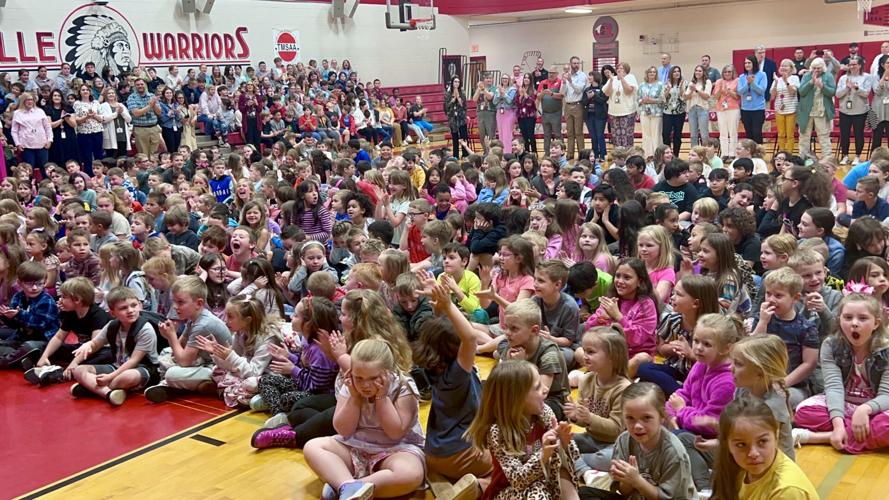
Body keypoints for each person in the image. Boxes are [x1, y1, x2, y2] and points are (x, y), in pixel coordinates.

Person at [303, 338, 425, 499]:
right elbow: (343, 430)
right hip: (355, 446)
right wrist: (354, 398)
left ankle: (345, 486)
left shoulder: (403, 386)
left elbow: (395, 433)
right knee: (312, 447)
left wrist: (382, 398)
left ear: (387, 373)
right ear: (351, 372)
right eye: (359, 378)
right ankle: (347, 487)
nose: (365, 385)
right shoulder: (350, 385)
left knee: (410, 474)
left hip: (395, 449)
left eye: (373, 378)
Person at [413, 283, 492, 499]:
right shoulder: (457, 374)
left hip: (434, 454)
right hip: (462, 455)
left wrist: (440, 308)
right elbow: (470, 338)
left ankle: (444, 483)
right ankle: (479, 486)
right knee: (511, 466)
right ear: (456, 348)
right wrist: (448, 306)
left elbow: (439, 332)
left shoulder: (433, 368)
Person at [465, 360, 581, 499]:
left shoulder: (544, 412)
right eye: (537, 387)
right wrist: (543, 455)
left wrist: (564, 443)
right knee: (536, 490)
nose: (546, 389)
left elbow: (573, 458)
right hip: (510, 490)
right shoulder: (498, 432)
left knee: (562, 470)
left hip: (544, 479)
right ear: (516, 399)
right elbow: (518, 481)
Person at [793, 293, 889, 454]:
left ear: (876, 323)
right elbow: (834, 388)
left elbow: (886, 395)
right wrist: (838, 425)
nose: (854, 323)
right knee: (803, 411)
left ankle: (819, 437)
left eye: (863, 318)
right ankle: (852, 434)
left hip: (876, 408)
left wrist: (864, 409)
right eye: (848, 317)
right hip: (844, 404)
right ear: (839, 320)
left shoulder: (886, 349)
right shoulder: (831, 345)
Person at [143, 276, 234, 402]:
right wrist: (169, 337)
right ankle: (183, 386)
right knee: (165, 352)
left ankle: (173, 385)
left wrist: (171, 336)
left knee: (171, 374)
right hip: (201, 361)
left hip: (218, 369)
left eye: (180, 302)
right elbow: (180, 346)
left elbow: (184, 361)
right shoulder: (194, 319)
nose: (175, 306)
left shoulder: (203, 324)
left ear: (199, 303)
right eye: (174, 301)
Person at [711, 396, 818, 500]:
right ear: (727, 444)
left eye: (762, 441)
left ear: (776, 436)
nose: (753, 453)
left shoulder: (786, 491)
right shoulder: (736, 468)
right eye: (741, 445)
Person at [68, 287, 159, 406]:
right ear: (112, 313)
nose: (130, 310)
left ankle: (90, 389)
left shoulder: (145, 329)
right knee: (79, 370)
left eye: (134, 305)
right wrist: (82, 352)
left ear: (140, 305)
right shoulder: (112, 325)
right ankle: (109, 393)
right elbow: (95, 344)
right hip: (117, 366)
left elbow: (134, 361)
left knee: (126, 377)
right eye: (123, 308)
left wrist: (109, 377)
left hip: (142, 368)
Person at [610, 382, 697, 499]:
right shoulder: (623, 441)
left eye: (646, 418)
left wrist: (637, 481)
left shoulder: (673, 452)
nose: (637, 426)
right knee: (587, 494)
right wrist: (627, 480)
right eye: (630, 418)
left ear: (662, 417)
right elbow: (623, 492)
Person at [566, 326, 632, 478]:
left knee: (609, 459)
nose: (585, 356)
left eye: (591, 352)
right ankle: (583, 467)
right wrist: (575, 416)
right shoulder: (587, 379)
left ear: (612, 357)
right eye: (584, 351)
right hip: (591, 439)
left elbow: (616, 429)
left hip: (615, 444)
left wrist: (589, 418)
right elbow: (584, 422)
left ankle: (578, 464)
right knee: (561, 440)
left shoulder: (623, 388)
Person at [797, 58, 836, 159]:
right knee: (804, 136)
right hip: (806, 111)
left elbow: (832, 92)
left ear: (823, 68)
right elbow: (801, 92)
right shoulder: (806, 76)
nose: (816, 70)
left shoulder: (828, 76)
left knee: (823, 135)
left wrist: (822, 86)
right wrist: (811, 83)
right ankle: (803, 158)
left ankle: (827, 158)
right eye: (814, 68)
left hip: (821, 110)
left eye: (818, 68)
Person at [836, 56, 871, 165]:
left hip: (860, 111)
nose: (851, 66)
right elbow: (838, 94)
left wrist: (855, 88)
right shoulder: (843, 78)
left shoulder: (866, 77)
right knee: (844, 134)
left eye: (854, 64)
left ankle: (857, 156)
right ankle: (845, 155)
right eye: (850, 64)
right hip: (844, 111)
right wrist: (847, 88)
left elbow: (866, 94)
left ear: (860, 65)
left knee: (858, 134)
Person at [11, 92, 52, 178]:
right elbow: (14, 131)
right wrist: (17, 143)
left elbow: (47, 127)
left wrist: (50, 140)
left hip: (42, 144)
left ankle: (47, 184)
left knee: (45, 168)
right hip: (26, 146)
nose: (30, 102)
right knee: (28, 170)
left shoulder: (40, 111)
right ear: (23, 101)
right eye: (27, 100)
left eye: (31, 100)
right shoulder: (17, 113)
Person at [604, 62, 638, 149]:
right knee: (616, 137)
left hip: (627, 112)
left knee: (627, 136)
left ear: (626, 70)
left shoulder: (630, 77)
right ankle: (618, 155)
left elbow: (628, 91)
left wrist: (622, 78)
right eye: (618, 68)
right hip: (614, 112)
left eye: (621, 68)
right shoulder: (613, 78)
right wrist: (611, 81)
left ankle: (628, 154)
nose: (619, 70)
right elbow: (607, 93)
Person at [127, 79, 162, 160]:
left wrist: (154, 105)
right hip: (140, 129)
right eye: (138, 85)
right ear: (135, 86)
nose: (140, 86)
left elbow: (159, 112)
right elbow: (136, 113)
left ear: (145, 85)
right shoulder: (132, 97)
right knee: (143, 154)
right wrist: (149, 106)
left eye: (142, 84)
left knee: (155, 154)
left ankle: (154, 167)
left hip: (154, 128)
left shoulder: (152, 96)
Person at [770, 59, 800, 154]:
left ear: (791, 68)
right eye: (782, 65)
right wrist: (775, 82)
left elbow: (792, 92)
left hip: (791, 110)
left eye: (786, 66)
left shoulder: (795, 78)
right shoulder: (777, 79)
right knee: (781, 134)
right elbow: (772, 97)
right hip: (779, 110)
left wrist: (786, 81)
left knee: (790, 135)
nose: (783, 67)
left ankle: (789, 154)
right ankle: (782, 153)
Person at [738, 55, 767, 145]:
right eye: (745, 63)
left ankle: (759, 152)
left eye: (749, 63)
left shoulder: (762, 75)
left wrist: (752, 83)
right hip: (745, 109)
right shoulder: (742, 76)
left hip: (758, 109)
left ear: (754, 63)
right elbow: (740, 91)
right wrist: (747, 84)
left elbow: (761, 90)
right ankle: (750, 152)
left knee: (757, 133)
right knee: (749, 134)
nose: (747, 64)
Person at [637, 66, 665, 159]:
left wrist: (652, 100)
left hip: (656, 113)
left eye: (654, 72)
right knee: (646, 135)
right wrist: (642, 101)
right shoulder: (642, 85)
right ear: (647, 74)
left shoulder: (660, 85)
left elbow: (663, 99)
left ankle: (657, 155)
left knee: (656, 135)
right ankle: (647, 155)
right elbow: (637, 98)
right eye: (650, 72)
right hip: (644, 113)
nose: (652, 74)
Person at [563, 56, 587, 160]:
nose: (576, 65)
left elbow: (579, 90)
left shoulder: (582, 76)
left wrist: (571, 81)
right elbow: (562, 92)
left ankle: (582, 154)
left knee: (578, 132)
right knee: (569, 132)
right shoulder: (566, 75)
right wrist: (564, 82)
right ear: (570, 64)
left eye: (577, 63)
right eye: (574, 63)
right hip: (567, 105)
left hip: (578, 105)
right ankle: (570, 154)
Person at [714, 65, 740, 160]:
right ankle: (724, 153)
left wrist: (729, 91)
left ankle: (733, 153)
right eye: (725, 72)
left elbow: (738, 97)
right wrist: (721, 90)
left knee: (732, 131)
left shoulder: (737, 80)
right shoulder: (719, 82)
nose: (727, 73)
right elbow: (716, 97)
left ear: (733, 73)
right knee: (723, 132)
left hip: (733, 108)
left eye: (729, 72)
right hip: (721, 109)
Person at [582, 70, 608, 162]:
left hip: (600, 116)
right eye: (589, 76)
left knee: (600, 135)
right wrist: (588, 98)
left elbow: (603, 100)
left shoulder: (603, 88)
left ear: (595, 77)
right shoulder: (587, 89)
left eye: (591, 76)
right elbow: (583, 102)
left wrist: (594, 96)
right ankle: (595, 155)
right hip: (589, 116)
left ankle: (603, 155)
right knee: (593, 136)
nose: (589, 77)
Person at [99, 87, 132, 159]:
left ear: (115, 94)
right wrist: (116, 113)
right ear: (105, 95)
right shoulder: (103, 106)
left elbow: (129, 119)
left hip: (122, 135)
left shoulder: (121, 105)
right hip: (110, 135)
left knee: (123, 157)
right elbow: (104, 119)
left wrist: (122, 112)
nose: (111, 94)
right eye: (109, 93)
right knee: (111, 158)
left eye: (112, 93)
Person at [685, 65, 712, 149]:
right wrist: (691, 91)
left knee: (704, 134)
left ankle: (705, 152)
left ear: (703, 72)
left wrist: (696, 90)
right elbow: (686, 97)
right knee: (693, 134)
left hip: (702, 109)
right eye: (696, 70)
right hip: (692, 109)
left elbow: (706, 96)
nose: (698, 72)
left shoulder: (707, 82)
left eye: (700, 71)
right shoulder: (692, 83)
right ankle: (694, 153)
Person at [445, 76, 470, 159]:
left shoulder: (462, 93)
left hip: (461, 118)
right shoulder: (448, 94)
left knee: (464, 136)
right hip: (453, 118)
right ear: (452, 83)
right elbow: (446, 107)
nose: (457, 83)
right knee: (455, 137)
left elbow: (464, 106)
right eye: (455, 81)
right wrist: (453, 100)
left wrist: (458, 97)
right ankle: (455, 155)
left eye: (458, 82)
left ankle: (465, 154)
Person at [493, 74, 517, 155]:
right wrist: (499, 94)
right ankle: (502, 152)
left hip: (508, 112)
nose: (504, 80)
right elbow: (494, 102)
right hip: (499, 112)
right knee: (501, 133)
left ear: (509, 80)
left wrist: (503, 94)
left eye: (506, 78)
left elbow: (510, 101)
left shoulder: (512, 89)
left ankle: (508, 153)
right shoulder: (497, 90)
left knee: (507, 134)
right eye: (503, 78)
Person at [473, 75, 496, 155]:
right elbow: (474, 99)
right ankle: (485, 152)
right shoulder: (479, 88)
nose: (489, 79)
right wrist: (479, 89)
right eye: (487, 78)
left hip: (490, 113)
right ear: (484, 80)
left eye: (490, 78)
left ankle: (492, 152)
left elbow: (490, 97)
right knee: (482, 134)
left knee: (490, 134)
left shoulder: (493, 88)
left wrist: (483, 89)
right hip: (480, 113)